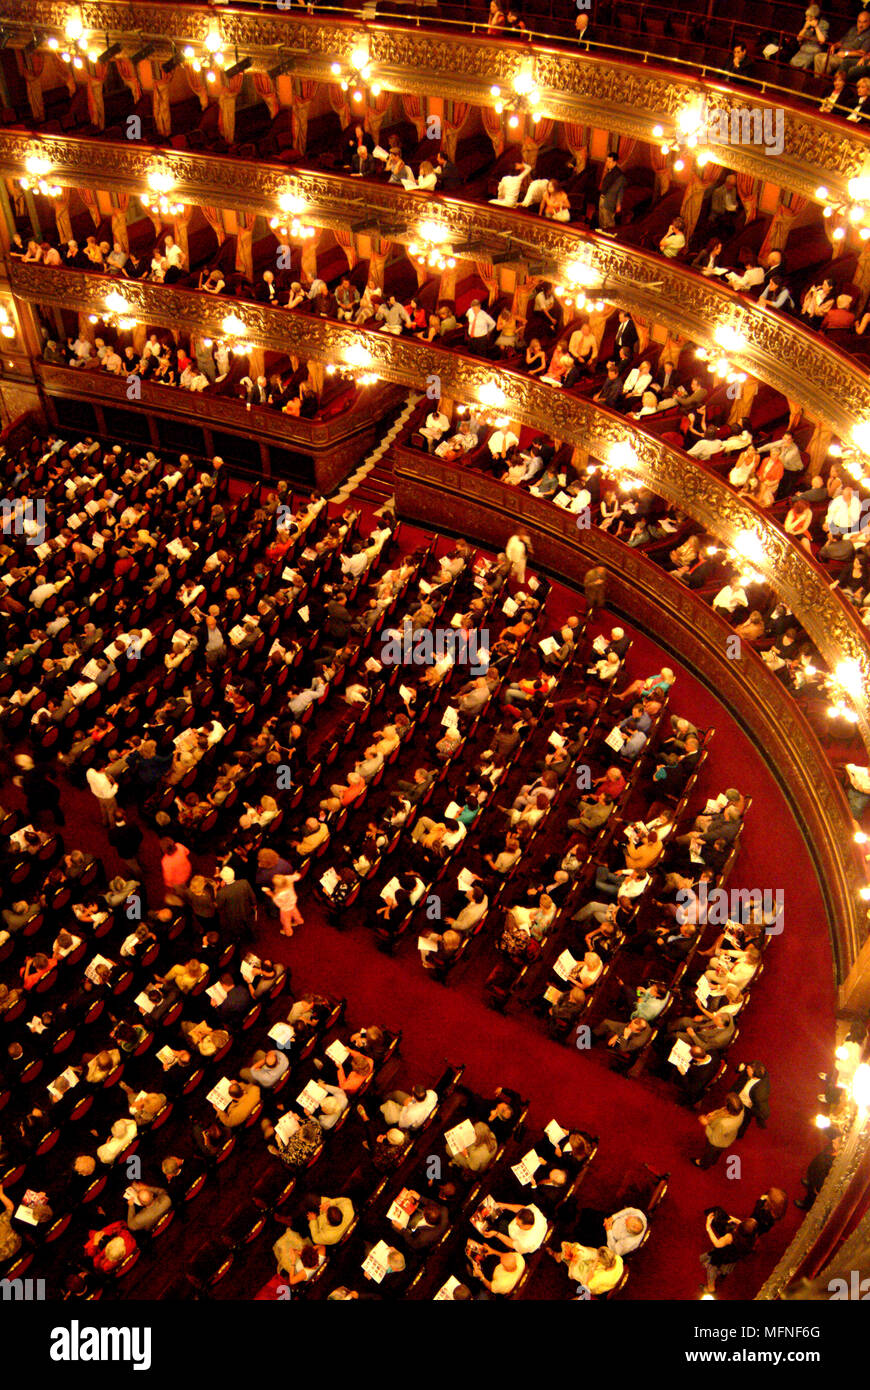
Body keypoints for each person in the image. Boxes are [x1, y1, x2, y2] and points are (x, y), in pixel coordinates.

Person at [693, 1094, 745, 1168]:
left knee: (710, 1152)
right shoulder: (740, 1109)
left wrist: (706, 1124)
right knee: (718, 1152)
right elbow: (724, 1110)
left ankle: (703, 1164)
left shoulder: (724, 1124)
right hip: (728, 1138)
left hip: (718, 1142)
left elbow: (714, 1140)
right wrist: (714, 1113)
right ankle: (714, 1160)